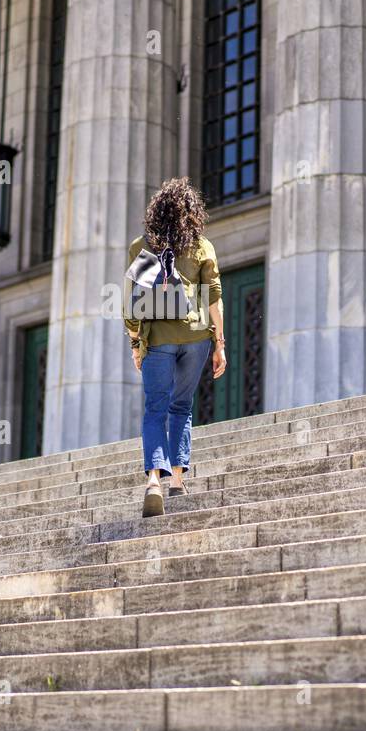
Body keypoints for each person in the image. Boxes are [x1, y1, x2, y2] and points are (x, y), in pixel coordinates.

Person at [123, 177, 227, 518]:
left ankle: (154, 480)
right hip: (196, 337)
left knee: (155, 409)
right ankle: (178, 482)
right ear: (192, 213)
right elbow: (214, 297)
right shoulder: (202, 246)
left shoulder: (144, 246)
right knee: (181, 408)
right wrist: (219, 343)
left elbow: (130, 302)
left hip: (158, 338)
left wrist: (136, 342)